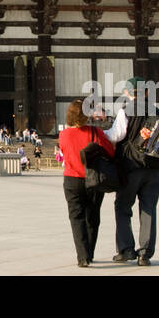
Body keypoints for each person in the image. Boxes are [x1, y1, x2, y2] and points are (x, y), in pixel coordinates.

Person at [106, 77, 159, 267]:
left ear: (127, 93)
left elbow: (116, 136)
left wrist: (99, 132)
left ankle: (126, 249)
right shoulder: (158, 112)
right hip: (154, 167)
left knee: (123, 207)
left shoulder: (126, 110)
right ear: (147, 92)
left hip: (131, 167)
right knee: (148, 209)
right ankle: (145, 253)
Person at [59, 99, 115, 268]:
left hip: (71, 180)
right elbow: (110, 152)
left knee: (76, 217)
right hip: (93, 180)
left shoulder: (64, 135)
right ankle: (89, 253)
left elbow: (63, 153)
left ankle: (82, 256)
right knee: (92, 216)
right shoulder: (95, 132)